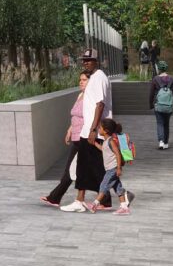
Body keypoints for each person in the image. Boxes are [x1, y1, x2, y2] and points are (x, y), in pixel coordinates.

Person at [60, 50, 111, 212]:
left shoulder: (99, 77)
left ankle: (118, 194)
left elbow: (100, 104)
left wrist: (93, 130)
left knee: (93, 167)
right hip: (87, 130)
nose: (86, 62)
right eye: (84, 60)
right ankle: (82, 200)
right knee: (87, 166)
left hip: (93, 130)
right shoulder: (94, 77)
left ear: (97, 61)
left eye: (89, 60)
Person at [41, 72, 90, 207]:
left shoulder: (90, 98)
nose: (81, 82)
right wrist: (70, 130)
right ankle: (108, 198)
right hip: (76, 136)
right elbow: (75, 116)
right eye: (80, 79)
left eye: (84, 80)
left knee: (72, 169)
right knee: (87, 169)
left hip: (83, 137)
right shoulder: (80, 95)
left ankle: (55, 197)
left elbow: (91, 117)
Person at [92, 117, 131, 216]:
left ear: (106, 131)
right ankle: (124, 207)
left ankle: (95, 203)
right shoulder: (106, 141)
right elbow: (104, 149)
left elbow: (117, 154)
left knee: (104, 185)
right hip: (110, 168)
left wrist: (118, 168)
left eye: (100, 128)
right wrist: (95, 143)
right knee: (117, 187)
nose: (98, 129)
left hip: (113, 168)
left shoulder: (111, 141)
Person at [149, 61, 173, 150]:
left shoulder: (155, 79)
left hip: (158, 105)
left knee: (160, 123)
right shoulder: (172, 79)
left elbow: (151, 93)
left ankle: (161, 141)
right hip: (168, 106)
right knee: (166, 123)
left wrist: (151, 104)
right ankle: (166, 142)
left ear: (158, 69)